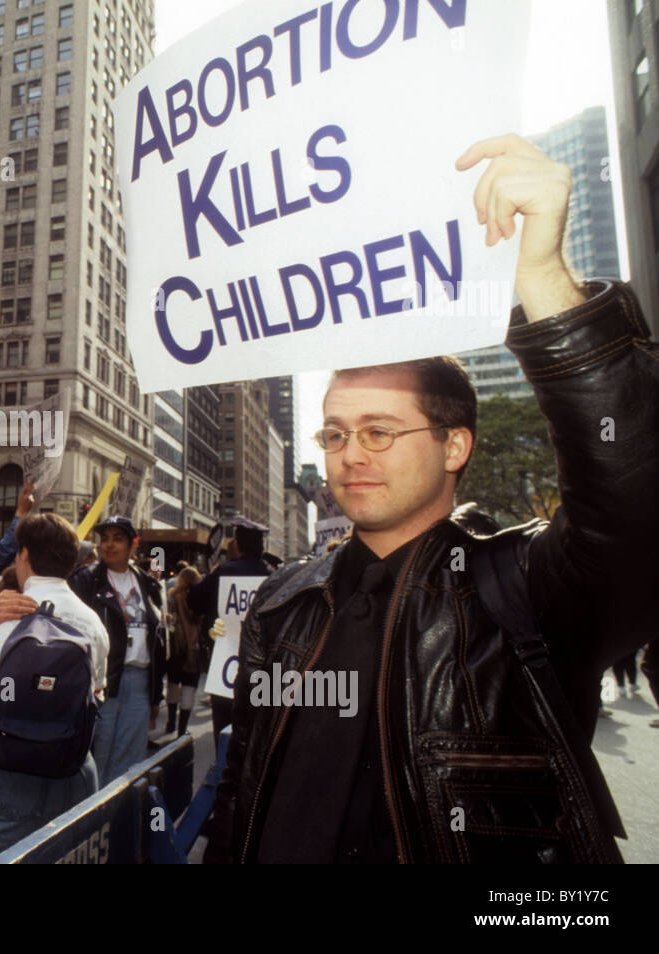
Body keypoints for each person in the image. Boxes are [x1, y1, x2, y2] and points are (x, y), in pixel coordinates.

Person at [204, 134, 659, 864]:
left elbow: (636, 513)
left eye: (380, 431)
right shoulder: (281, 605)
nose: (350, 454)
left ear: (455, 446)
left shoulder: (524, 593)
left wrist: (540, 278)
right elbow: (241, 787)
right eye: (335, 433)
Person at [0, 513, 109, 863]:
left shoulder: (13, 616)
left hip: (12, 780)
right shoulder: (93, 621)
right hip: (75, 772)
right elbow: (96, 695)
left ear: (23, 555)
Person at [68, 514, 167, 786]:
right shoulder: (85, 580)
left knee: (130, 761)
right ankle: (90, 823)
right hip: (103, 680)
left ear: (133, 544)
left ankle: (115, 823)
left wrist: (155, 695)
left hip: (139, 682)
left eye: (118, 539)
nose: (109, 545)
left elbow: (158, 642)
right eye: (105, 539)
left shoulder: (148, 584)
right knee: (95, 756)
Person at [188, 520, 273, 741]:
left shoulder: (224, 572)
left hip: (226, 667)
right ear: (261, 546)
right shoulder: (274, 575)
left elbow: (194, 600)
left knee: (225, 736)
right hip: (264, 667)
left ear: (237, 544)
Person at [164, 566, 203, 737]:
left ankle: (171, 721)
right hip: (194, 650)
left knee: (173, 685)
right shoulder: (201, 598)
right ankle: (182, 730)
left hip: (176, 647)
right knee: (189, 688)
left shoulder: (172, 596)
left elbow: (168, 620)